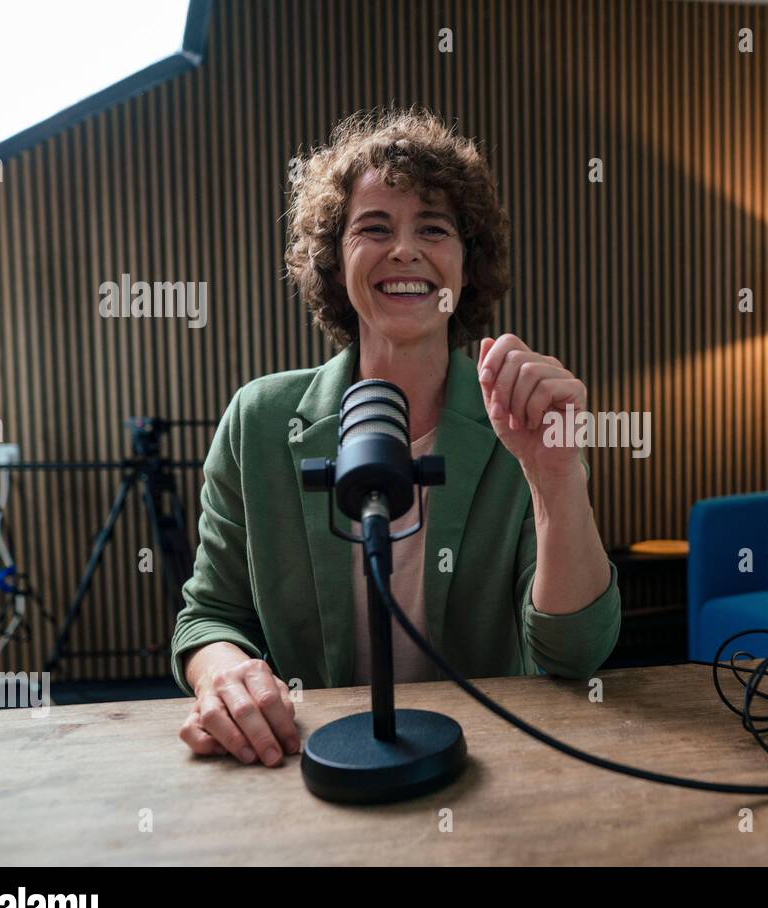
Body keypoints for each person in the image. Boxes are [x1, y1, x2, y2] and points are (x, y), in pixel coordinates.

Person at [172, 107, 620, 767]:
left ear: (466, 265)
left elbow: (575, 653)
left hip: (496, 767)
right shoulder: (260, 420)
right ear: (336, 260)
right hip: (305, 764)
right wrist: (221, 671)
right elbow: (208, 615)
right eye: (373, 228)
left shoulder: (525, 418)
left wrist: (556, 479)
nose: (404, 250)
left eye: (432, 229)